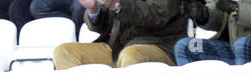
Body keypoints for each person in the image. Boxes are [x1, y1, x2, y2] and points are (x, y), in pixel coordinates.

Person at [52, 0, 183, 67]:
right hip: (117, 48)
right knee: (64, 52)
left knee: (131, 55)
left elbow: (157, 16)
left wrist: (117, 4)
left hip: (160, 46)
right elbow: (104, 26)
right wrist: (93, 9)